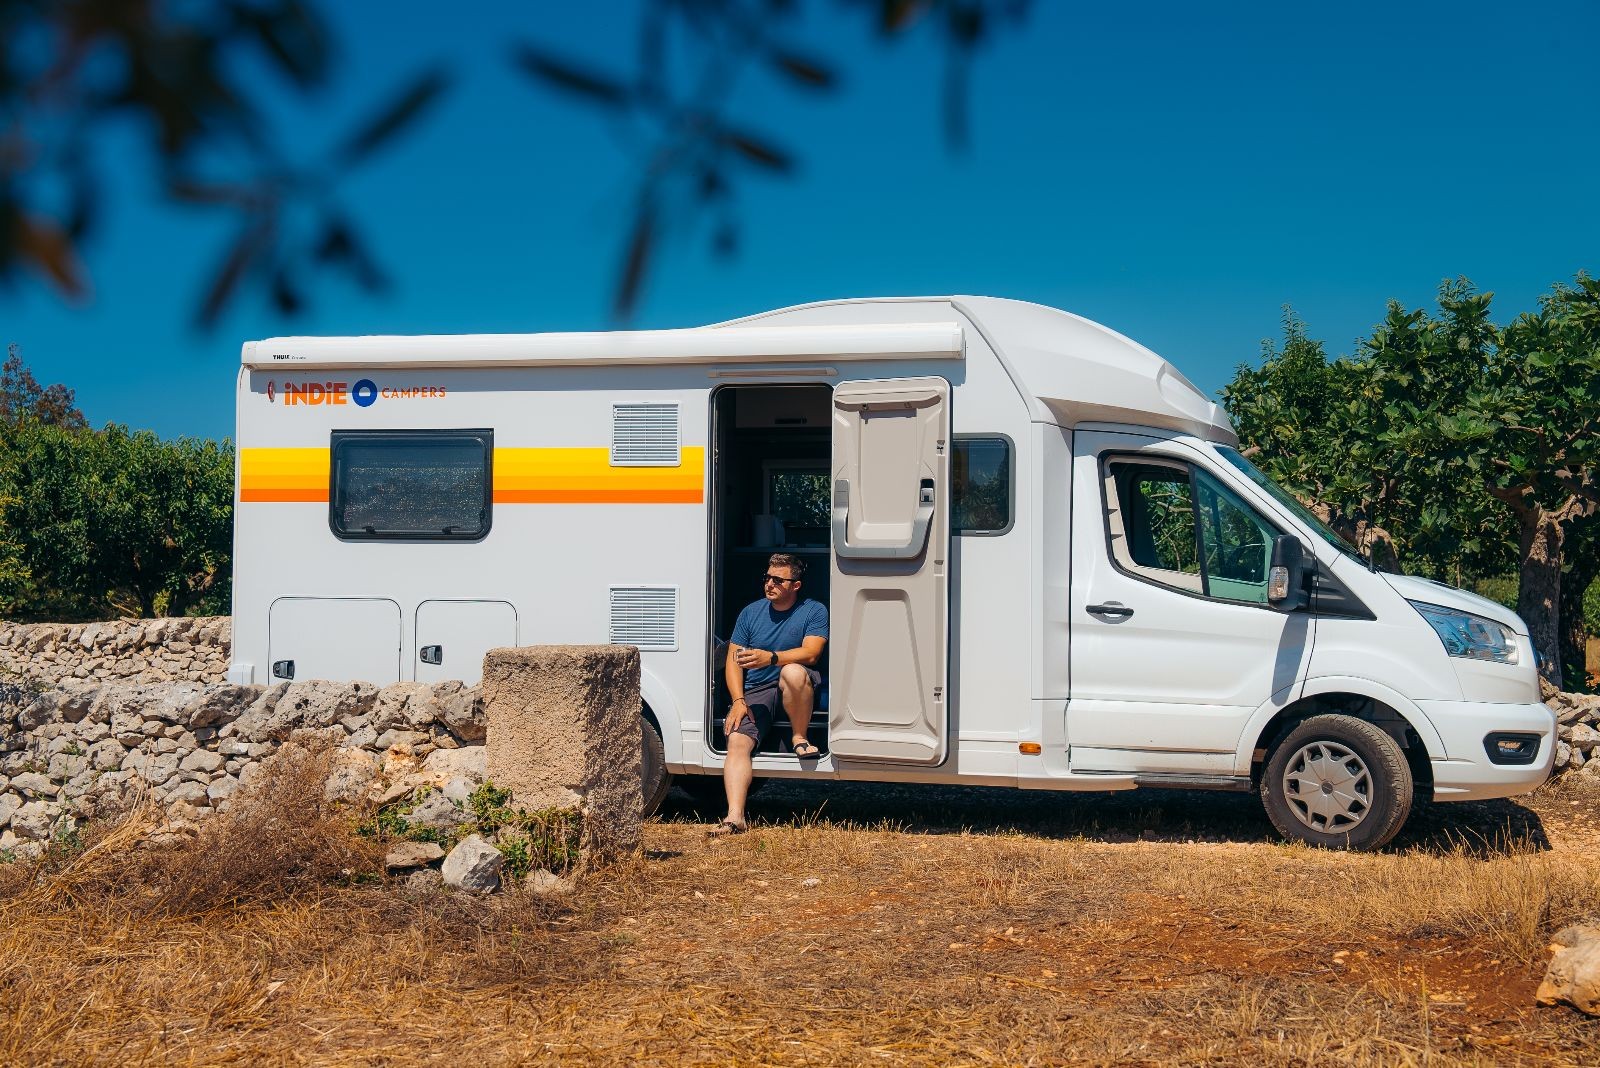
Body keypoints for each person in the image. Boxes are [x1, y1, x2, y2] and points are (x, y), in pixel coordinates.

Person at [709, 552, 828, 836]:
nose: (769, 583)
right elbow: (733, 661)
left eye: (778, 579)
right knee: (737, 740)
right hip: (757, 690)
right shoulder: (751, 613)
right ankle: (735, 818)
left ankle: (799, 737)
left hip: (796, 684)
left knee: (793, 672)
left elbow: (812, 653)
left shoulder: (813, 610)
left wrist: (772, 658)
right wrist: (738, 701)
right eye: (767, 577)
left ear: (795, 585)